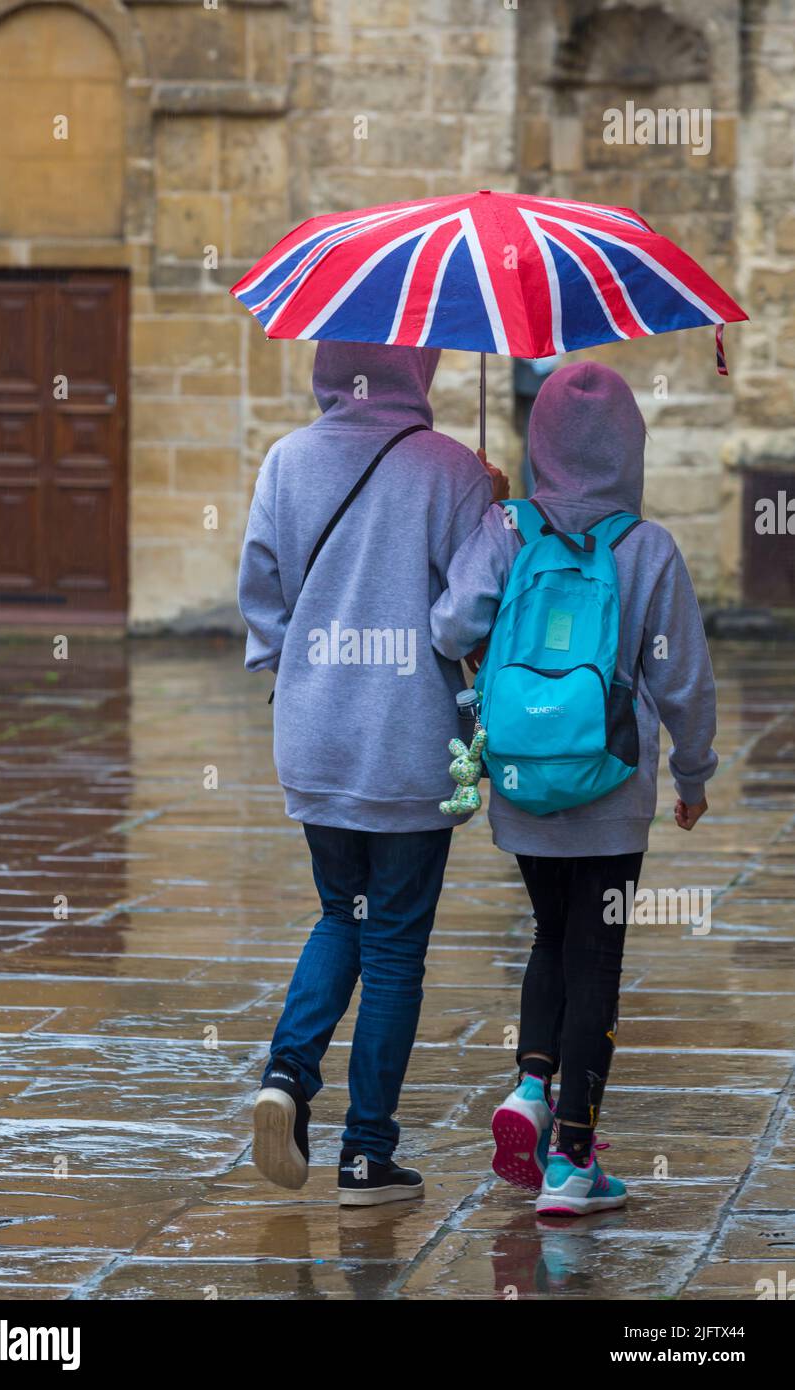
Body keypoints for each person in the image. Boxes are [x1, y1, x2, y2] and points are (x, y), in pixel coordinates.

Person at [430, 360, 717, 1216]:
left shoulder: (507, 527)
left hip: (522, 782)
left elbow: (450, 626)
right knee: (598, 953)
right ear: (630, 447)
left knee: (550, 933)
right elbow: (685, 683)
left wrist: (488, 512)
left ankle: (529, 1088)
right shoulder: (648, 547)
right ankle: (572, 1162)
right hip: (614, 788)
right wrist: (694, 774)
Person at [238, 340, 501, 1206]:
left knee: (339, 911)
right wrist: (490, 519)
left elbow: (262, 598)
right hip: (406, 741)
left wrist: (306, 664)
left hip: (315, 735)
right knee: (393, 943)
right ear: (414, 368)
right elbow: (465, 619)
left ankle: (286, 1073)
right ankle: (365, 1156)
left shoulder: (284, 461)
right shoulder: (451, 468)